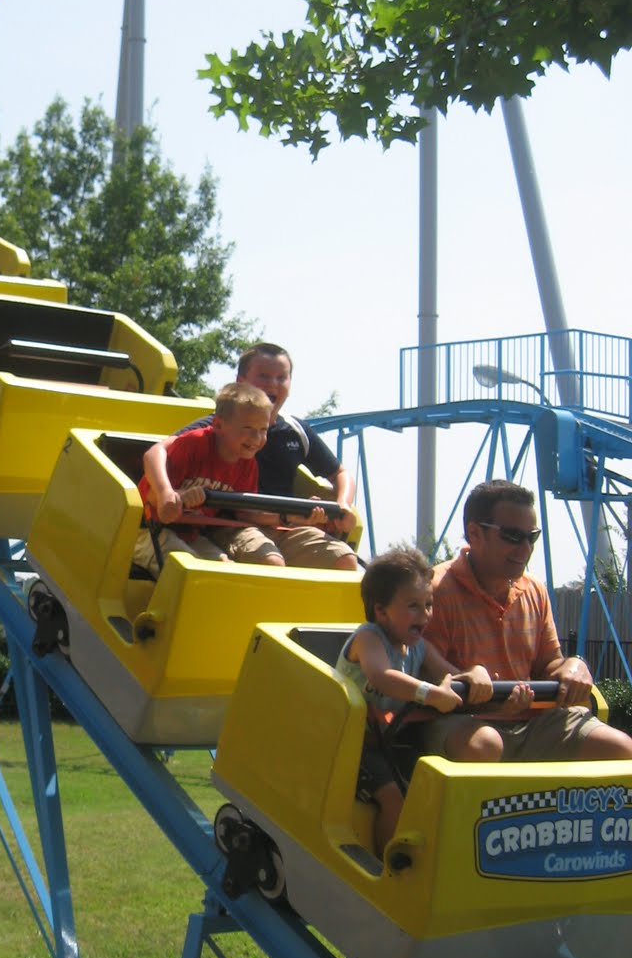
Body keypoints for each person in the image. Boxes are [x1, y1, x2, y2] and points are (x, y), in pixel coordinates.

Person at [421, 479, 632, 762]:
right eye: (511, 536)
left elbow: (549, 665)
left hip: (531, 723)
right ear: (474, 533)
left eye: (531, 537)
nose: (525, 548)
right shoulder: (434, 590)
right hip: (460, 720)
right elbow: (422, 666)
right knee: (483, 746)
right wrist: (466, 679)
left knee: (621, 749)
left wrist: (575, 665)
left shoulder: (533, 590)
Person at [336, 546, 491, 852]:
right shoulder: (369, 637)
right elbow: (381, 676)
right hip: (353, 746)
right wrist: (429, 693)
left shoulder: (419, 646)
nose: (426, 614)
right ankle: (384, 871)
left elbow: (451, 676)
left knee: (431, 792)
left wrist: (476, 675)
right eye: (413, 606)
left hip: (390, 743)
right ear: (381, 611)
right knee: (393, 799)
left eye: (429, 604)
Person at [180, 343, 359, 571]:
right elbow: (166, 449)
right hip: (234, 524)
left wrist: (343, 504)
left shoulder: (294, 430)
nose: (272, 384)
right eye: (264, 376)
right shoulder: (221, 425)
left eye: (281, 378)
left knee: (344, 560)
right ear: (242, 380)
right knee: (270, 561)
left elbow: (340, 473)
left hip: (287, 525)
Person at [132, 384, 284, 575]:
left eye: (263, 430)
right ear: (219, 425)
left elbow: (245, 512)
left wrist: (292, 517)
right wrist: (176, 496)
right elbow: (154, 498)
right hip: (147, 531)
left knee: (224, 572)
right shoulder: (193, 444)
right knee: (188, 570)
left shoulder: (247, 464)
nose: (257, 437)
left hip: (191, 534)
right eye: (248, 428)